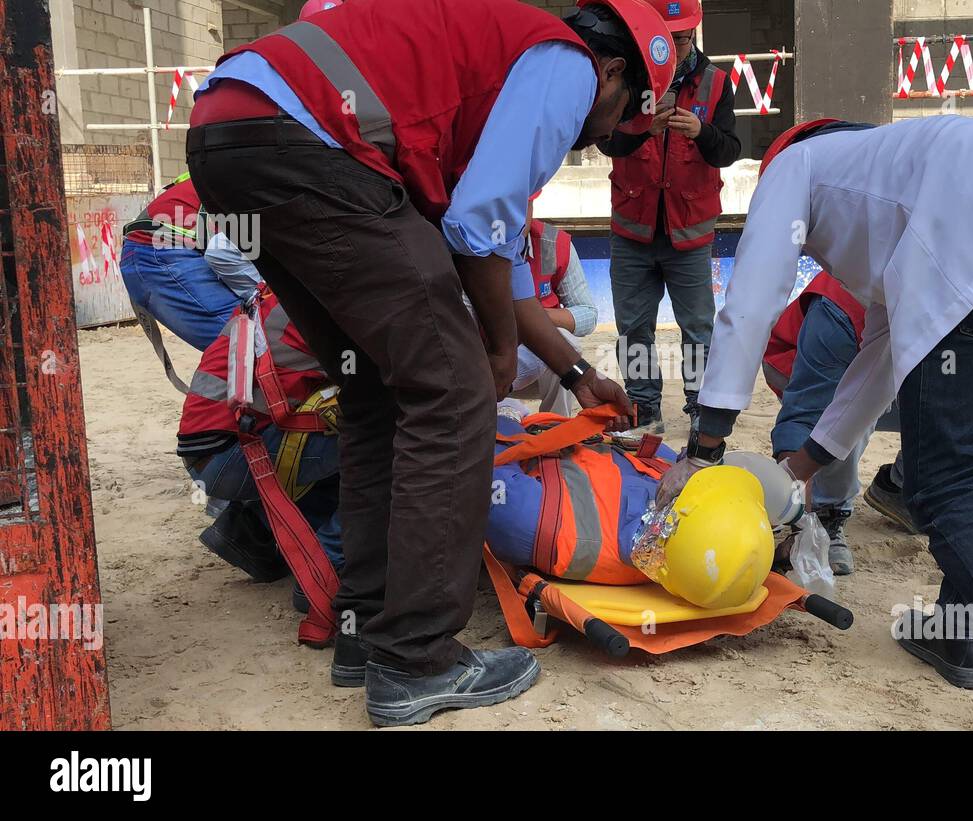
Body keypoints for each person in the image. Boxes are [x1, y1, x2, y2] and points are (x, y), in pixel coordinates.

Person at [185, 0, 672, 727]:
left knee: (378, 390)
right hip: (305, 140)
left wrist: (568, 371)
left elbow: (489, 240)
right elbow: (481, 223)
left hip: (233, 131)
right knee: (451, 397)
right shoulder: (565, 61)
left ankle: (366, 629)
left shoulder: (480, 72)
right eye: (617, 119)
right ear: (611, 72)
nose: (599, 140)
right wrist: (496, 357)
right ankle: (415, 661)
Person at [657, 115, 973, 731]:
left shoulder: (795, 163)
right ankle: (960, 629)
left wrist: (705, 448)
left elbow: (753, 299)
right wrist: (801, 468)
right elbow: (882, 359)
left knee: (951, 488)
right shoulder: (896, 184)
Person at [763, 271, 973, 570]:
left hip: (906, 367)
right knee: (849, 416)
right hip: (809, 368)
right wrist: (801, 524)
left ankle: (899, 486)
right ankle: (828, 512)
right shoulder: (840, 307)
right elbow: (805, 417)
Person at [599, 0, 740, 433]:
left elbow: (730, 150)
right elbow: (605, 141)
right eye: (670, 38)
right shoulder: (629, 77)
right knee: (633, 326)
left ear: (694, 33)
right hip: (633, 229)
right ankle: (644, 408)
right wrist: (641, 128)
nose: (677, 47)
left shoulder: (716, 83)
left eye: (682, 38)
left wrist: (704, 134)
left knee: (698, 327)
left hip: (689, 231)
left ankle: (701, 408)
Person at [178, 284, 342, 584]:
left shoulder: (285, 285)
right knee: (397, 436)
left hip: (210, 449)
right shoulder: (337, 299)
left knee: (339, 412)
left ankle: (255, 533)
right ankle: (331, 569)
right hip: (232, 450)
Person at [119, 173, 263, 390]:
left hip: (156, 251)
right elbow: (221, 252)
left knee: (254, 350)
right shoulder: (275, 191)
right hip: (161, 255)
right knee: (256, 349)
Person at [510, 193, 599, 416]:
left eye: (521, 205)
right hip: (481, 366)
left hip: (530, 364)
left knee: (564, 342)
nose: (512, 215)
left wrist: (532, 317)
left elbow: (588, 315)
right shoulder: (467, 244)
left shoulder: (552, 243)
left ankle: (555, 430)